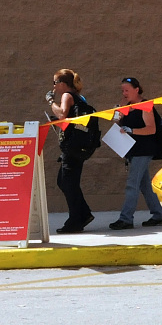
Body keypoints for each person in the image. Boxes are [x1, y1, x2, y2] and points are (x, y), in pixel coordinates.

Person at [108, 77, 162, 230]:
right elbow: (116, 121)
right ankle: (159, 215)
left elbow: (151, 129)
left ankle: (126, 219)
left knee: (132, 184)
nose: (124, 93)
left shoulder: (145, 106)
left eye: (127, 90)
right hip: (132, 149)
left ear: (137, 89)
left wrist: (132, 130)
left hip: (144, 150)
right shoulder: (127, 105)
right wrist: (118, 111)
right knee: (144, 185)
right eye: (122, 90)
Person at [48, 69, 95, 234]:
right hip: (80, 144)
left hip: (72, 147)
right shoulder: (80, 98)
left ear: (62, 84)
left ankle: (75, 220)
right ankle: (84, 214)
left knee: (68, 183)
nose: (53, 87)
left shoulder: (67, 96)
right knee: (64, 181)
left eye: (55, 83)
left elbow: (62, 114)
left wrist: (50, 102)